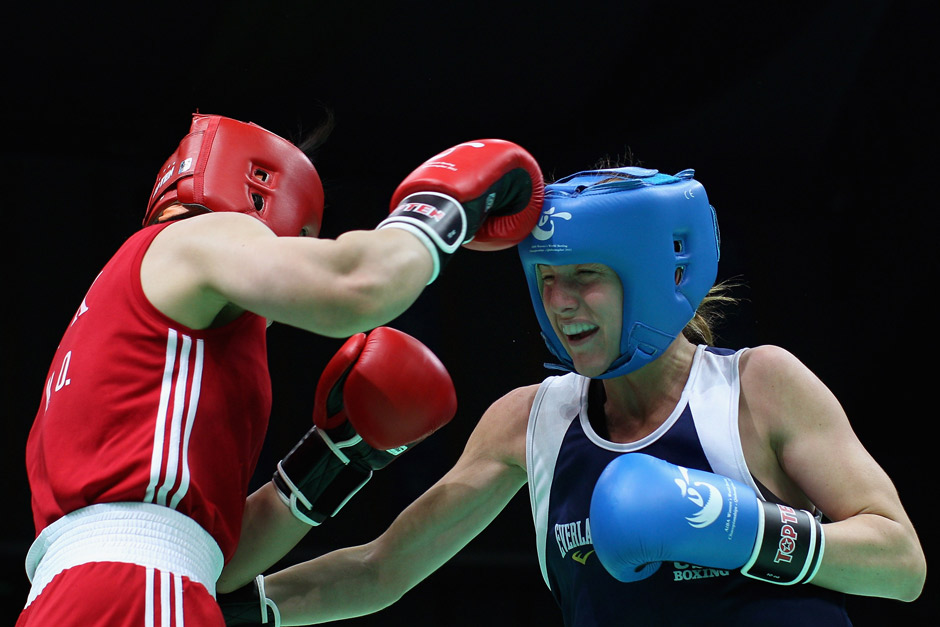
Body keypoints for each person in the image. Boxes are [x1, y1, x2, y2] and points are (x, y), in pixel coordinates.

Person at [219, 165, 926, 626]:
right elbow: (382, 567)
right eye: (547, 279)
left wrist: (747, 532)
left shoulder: (757, 387)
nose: (561, 303)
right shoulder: (532, 420)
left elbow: (901, 563)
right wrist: (224, 614)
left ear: (649, 275)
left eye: (585, 275)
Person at [19, 112, 544, 626]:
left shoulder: (117, 320)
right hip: (135, 590)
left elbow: (208, 558)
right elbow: (357, 286)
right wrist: (443, 203)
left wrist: (335, 459)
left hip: (69, 599)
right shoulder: (202, 238)